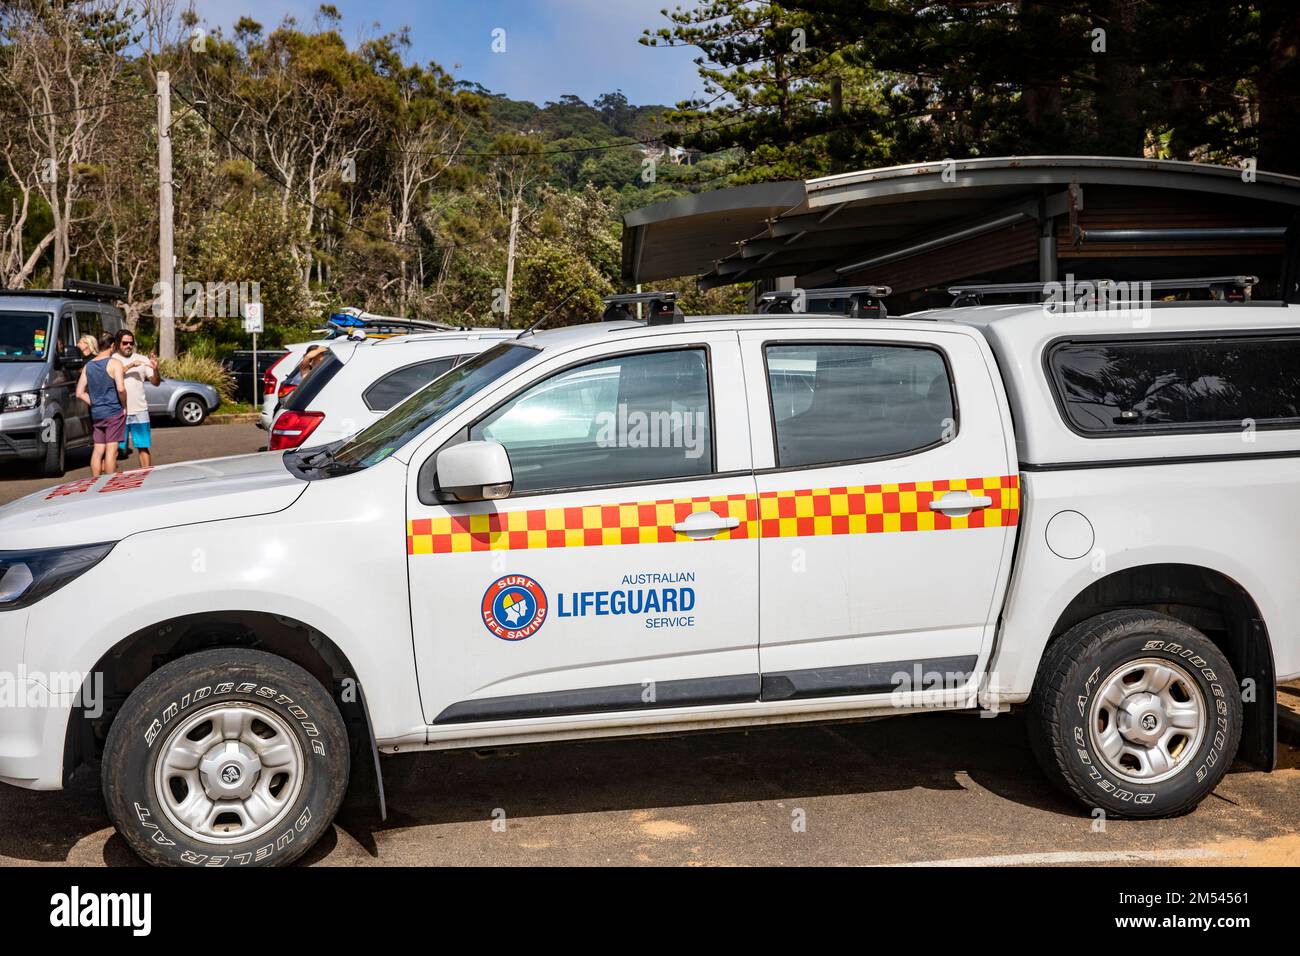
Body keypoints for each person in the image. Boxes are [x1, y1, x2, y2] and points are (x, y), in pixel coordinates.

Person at [75, 331, 127, 476]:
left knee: (98, 450)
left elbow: (79, 393)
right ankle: (109, 483)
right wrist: (124, 406)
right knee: (112, 451)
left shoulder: (88, 366)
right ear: (112, 346)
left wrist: (95, 403)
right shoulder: (115, 363)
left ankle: (95, 481)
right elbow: (121, 389)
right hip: (114, 412)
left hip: (97, 413)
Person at [112, 329, 160, 468]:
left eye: (131, 343)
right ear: (117, 343)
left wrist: (155, 369)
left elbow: (155, 382)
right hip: (119, 411)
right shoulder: (112, 360)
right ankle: (111, 481)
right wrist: (131, 365)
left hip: (140, 410)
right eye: (125, 343)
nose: (128, 346)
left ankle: (146, 476)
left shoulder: (143, 359)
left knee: (143, 447)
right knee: (114, 449)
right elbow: (112, 376)